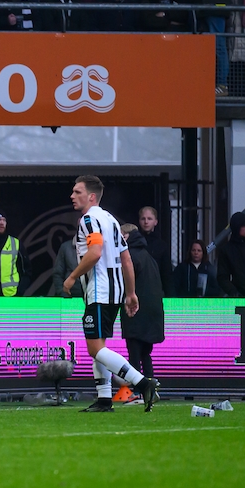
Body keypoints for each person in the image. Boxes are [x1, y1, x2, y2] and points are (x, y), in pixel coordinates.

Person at [62, 175, 160, 413]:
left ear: (91, 196)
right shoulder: (111, 220)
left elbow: (95, 253)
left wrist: (72, 276)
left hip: (99, 291)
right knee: (100, 347)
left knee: (95, 348)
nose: (72, 196)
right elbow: (126, 259)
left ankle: (142, 383)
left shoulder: (89, 219)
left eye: (77, 192)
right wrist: (131, 293)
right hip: (114, 292)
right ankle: (104, 399)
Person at [120, 223, 166, 403]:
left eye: (122, 235)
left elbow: (124, 282)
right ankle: (150, 388)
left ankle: (138, 391)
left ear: (127, 237)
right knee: (145, 354)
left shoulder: (130, 256)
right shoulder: (148, 256)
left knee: (134, 353)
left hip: (137, 312)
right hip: (152, 313)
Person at [217, 212, 245, 297]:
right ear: (237, 227)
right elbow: (222, 277)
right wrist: (233, 292)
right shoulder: (227, 250)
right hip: (240, 297)